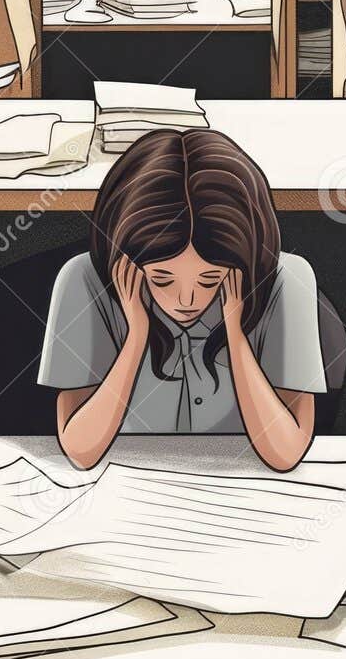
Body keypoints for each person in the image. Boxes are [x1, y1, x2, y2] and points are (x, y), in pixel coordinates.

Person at [38, 128, 328, 471]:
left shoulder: (285, 281)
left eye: (210, 279)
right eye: (161, 279)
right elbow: (81, 451)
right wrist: (136, 336)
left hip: (243, 488)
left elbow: (285, 454)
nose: (187, 300)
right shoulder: (84, 279)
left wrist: (235, 333)